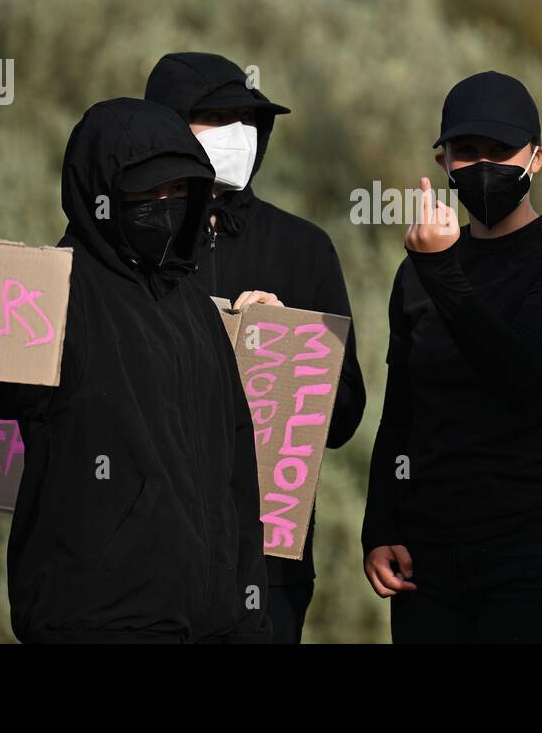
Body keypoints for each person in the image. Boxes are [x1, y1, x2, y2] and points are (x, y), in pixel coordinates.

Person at [0, 97, 271, 643]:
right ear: (100, 194)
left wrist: (248, 617)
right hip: (98, 616)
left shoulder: (194, 304)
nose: (165, 205)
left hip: (213, 624)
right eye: (146, 193)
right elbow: (9, 380)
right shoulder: (57, 296)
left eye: (179, 191)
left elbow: (236, 461)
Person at [361, 70, 542, 644]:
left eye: (501, 150)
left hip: (538, 543)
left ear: (536, 158)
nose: (483, 165)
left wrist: (442, 272)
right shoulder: (417, 272)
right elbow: (402, 408)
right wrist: (379, 527)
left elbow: (522, 374)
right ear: (443, 160)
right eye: (467, 151)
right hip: (431, 559)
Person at [144, 52, 366, 644]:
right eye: (214, 117)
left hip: (266, 567)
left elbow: (344, 415)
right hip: (146, 557)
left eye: (247, 118)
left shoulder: (304, 248)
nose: (237, 134)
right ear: (164, 128)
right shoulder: (132, 243)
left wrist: (290, 347)